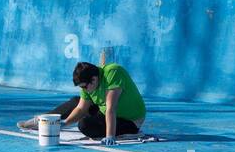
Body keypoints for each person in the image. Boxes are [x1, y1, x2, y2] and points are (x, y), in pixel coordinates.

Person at [19, 61, 149, 146]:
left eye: (84, 87)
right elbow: (81, 108)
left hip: (130, 121)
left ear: (93, 79)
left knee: (85, 124)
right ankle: (43, 121)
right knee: (75, 102)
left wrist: (110, 135)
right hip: (106, 113)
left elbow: (111, 108)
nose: (84, 90)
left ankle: (119, 132)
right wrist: (65, 123)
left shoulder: (113, 73)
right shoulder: (89, 84)